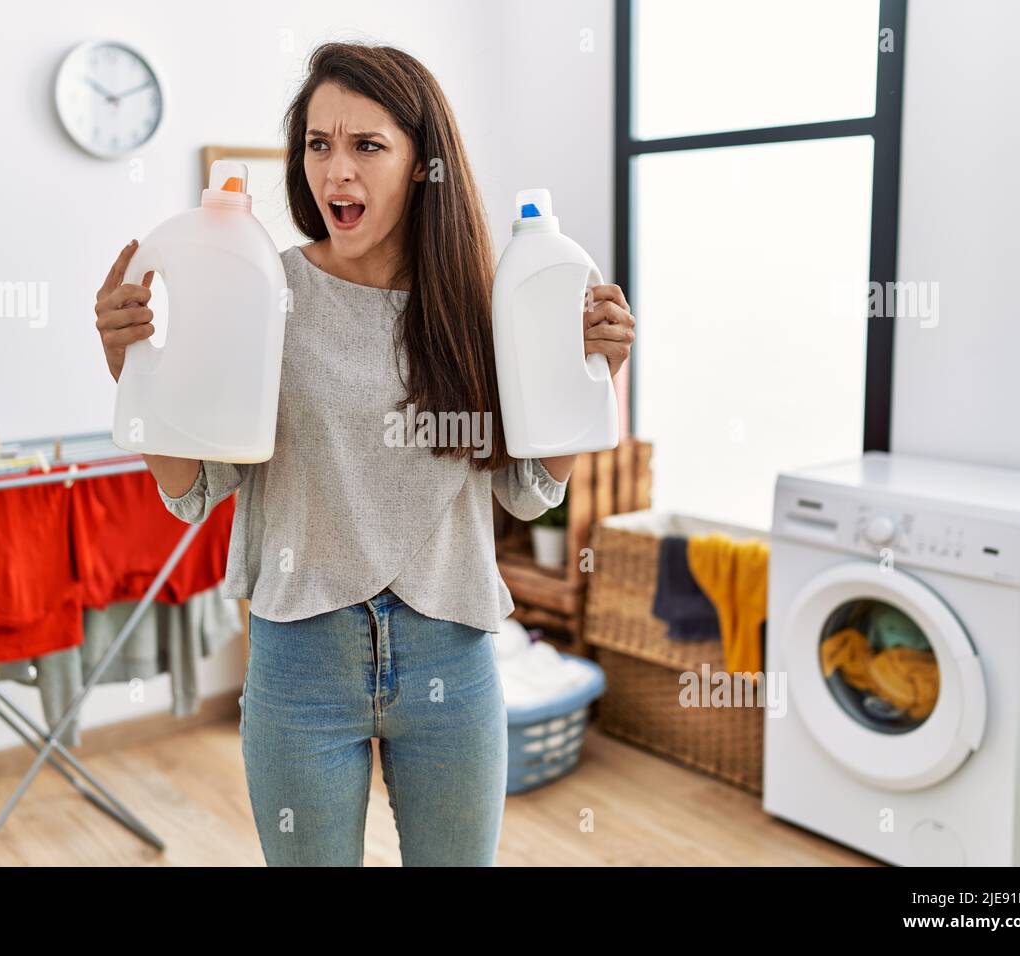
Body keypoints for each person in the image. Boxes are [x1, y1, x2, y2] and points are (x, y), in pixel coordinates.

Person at [94, 41, 634, 866]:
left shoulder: (480, 305)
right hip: (300, 661)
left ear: (424, 165)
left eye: (366, 146)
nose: (335, 172)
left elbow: (530, 491)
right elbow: (196, 489)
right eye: (318, 145)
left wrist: (597, 375)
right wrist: (135, 373)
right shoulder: (259, 291)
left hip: (448, 650)